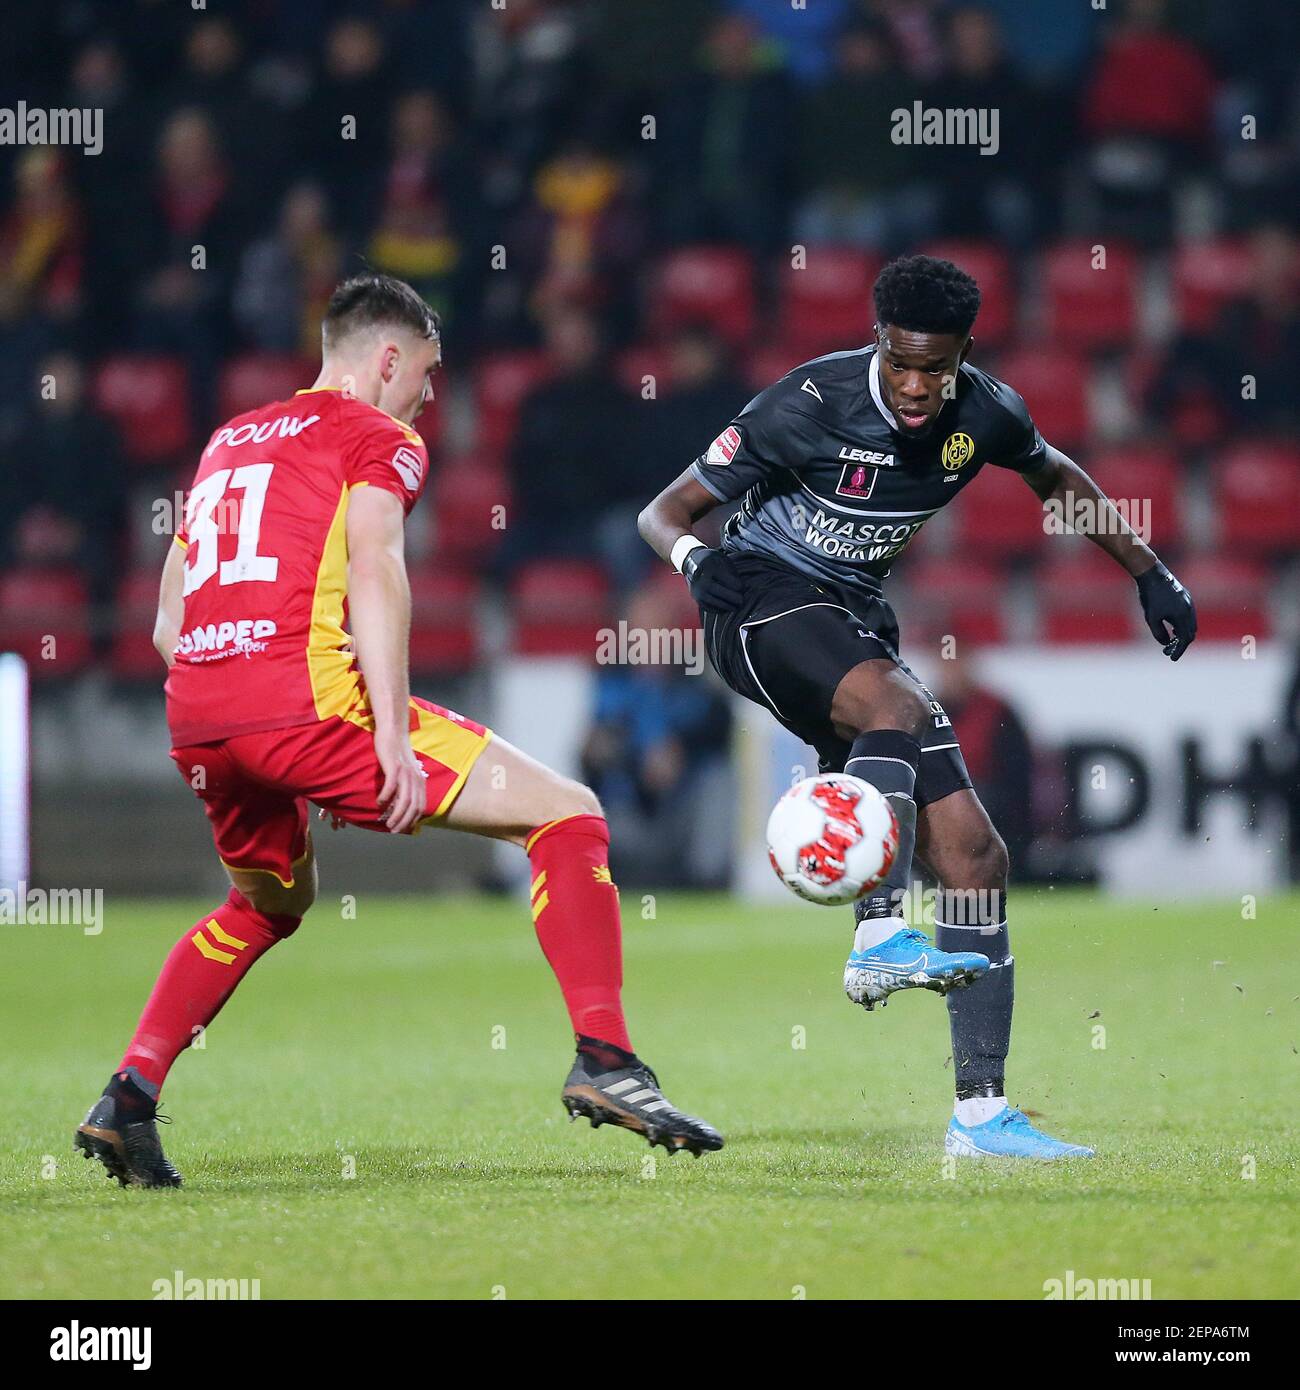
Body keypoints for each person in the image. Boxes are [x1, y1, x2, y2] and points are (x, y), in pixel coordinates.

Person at [75, 273, 720, 1188]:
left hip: (201, 712)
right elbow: (377, 566)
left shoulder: (230, 440)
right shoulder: (379, 436)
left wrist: (257, 724)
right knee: (568, 815)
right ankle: (608, 1060)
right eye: (426, 369)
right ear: (386, 358)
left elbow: (166, 622)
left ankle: (128, 1098)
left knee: (263, 905)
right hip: (308, 701)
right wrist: (375, 733)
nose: (429, 392)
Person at [638, 254, 1197, 1160]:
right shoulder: (808, 403)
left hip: (852, 619)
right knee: (893, 702)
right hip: (758, 605)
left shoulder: (986, 412)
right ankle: (878, 937)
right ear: (878, 342)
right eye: (899, 362)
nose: (913, 384)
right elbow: (662, 513)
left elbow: (1055, 477)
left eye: (933, 368)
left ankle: (979, 1117)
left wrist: (1151, 572)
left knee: (976, 855)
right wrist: (699, 564)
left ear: (962, 357)